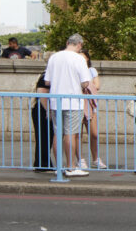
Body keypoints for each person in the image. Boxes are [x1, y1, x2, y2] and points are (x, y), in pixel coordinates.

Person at [42, 33, 90, 177]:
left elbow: (47, 82)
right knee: (71, 134)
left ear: (67, 42)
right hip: (73, 101)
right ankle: (71, 167)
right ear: (79, 44)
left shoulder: (54, 57)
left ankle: (59, 167)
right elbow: (85, 82)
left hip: (56, 100)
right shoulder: (79, 59)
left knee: (58, 134)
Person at [80, 51, 105, 170]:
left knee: (94, 134)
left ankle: (96, 158)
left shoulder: (91, 70)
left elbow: (97, 85)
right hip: (78, 104)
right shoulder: (75, 70)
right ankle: (80, 159)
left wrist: (86, 85)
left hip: (90, 105)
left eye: (84, 57)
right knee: (77, 134)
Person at [30, 76, 55, 172]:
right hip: (42, 110)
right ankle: (42, 163)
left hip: (43, 110)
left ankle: (43, 162)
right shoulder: (46, 76)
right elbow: (42, 92)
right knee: (43, 137)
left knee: (46, 137)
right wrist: (48, 110)